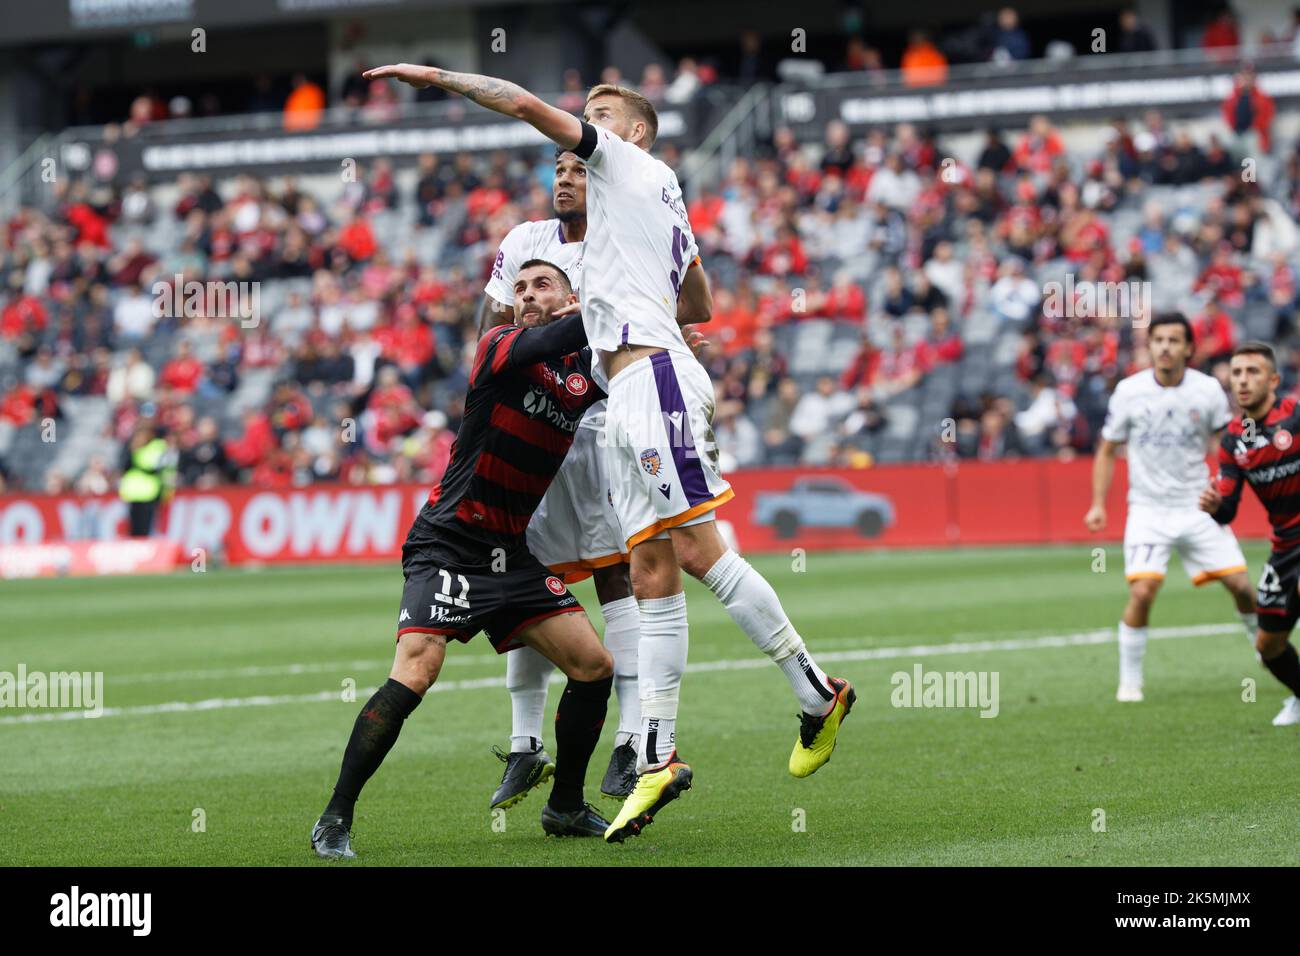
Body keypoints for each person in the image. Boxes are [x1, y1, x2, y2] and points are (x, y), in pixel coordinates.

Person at [364, 62, 855, 844]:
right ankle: (654, 752)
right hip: (629, 385)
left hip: (648, 379)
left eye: (598, 111)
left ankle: (814, 691)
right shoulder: (653, 196)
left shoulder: (625, 163)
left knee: (696, 551)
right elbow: (698, 298)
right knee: (652, 568)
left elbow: (522, 102)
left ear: (630, 132)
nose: (581, 118)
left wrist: (437, 78)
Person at [311, 261, 614, 857]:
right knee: (417, 669)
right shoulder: (500, 345)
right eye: (520, 288)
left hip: (511, 555)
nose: (526, 295)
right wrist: (611, 302)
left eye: (541, 286)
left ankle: (565, 806)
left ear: (569, 294)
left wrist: (677, 342)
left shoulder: (582, 376)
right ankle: (335, 817)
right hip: (449, 543)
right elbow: (565, 334)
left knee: (593, 665)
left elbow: (631, 373)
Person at [477, 148, 709, 810]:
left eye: (579, 170)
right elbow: (492, 319)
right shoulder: (525, 242)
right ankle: (525, 748)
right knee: (530, 583)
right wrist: (482, 390)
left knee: (622, 574)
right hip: (534, 431)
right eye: (558, 170)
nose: (566, 180)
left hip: (608, 423)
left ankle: (632, 740)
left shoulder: (626, 238)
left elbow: (689, 307)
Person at [1085, 314, 1255, 702]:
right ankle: (1130, 681)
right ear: (1150, 345)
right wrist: (1097, 504)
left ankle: (1263, 648)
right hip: (1147, 509)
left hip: (1197, 506)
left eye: (1174, 340)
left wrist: (1227, 490)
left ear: (1189, 348)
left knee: (1242, 587)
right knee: (1143, 592)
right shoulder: (1129, 391)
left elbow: (1223, 445)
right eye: (1158, 339)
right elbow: (1108, 448)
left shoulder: (1208, 389)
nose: (1165, 347)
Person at [1200, 341, 1300, 725]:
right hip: (1285, 547)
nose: (1242, 380)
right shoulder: (1232, 440)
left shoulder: (1295, 415)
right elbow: (1227, 509)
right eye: (1237, 373)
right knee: (1268, 647)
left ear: (1273, 379)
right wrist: (1213, 507)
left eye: (1252, 372)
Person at [119, 423, 175, 537]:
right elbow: (123, 467)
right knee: (133, 528)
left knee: (146, 528)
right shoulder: (130, 448)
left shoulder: (158, 447)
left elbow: (153, 466)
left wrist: (136, 453)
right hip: (132, 493)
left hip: (150, 493)